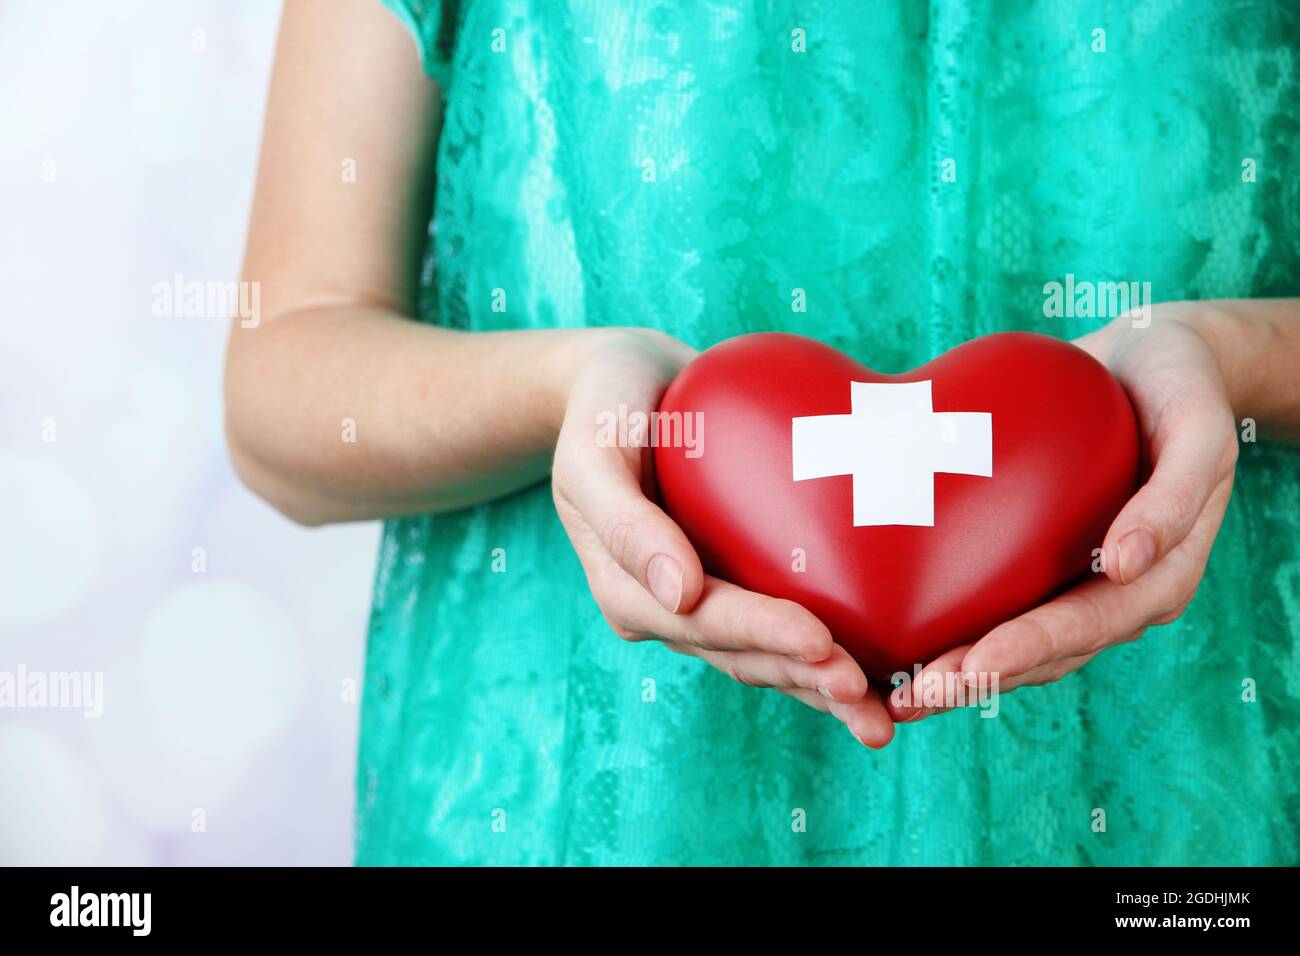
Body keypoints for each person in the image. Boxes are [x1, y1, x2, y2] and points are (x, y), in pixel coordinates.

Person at [225, 0, 1300, 864]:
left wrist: (1232, 358)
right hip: (612, 800)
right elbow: (280, 396)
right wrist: (583, 393)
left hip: (1192, 794)